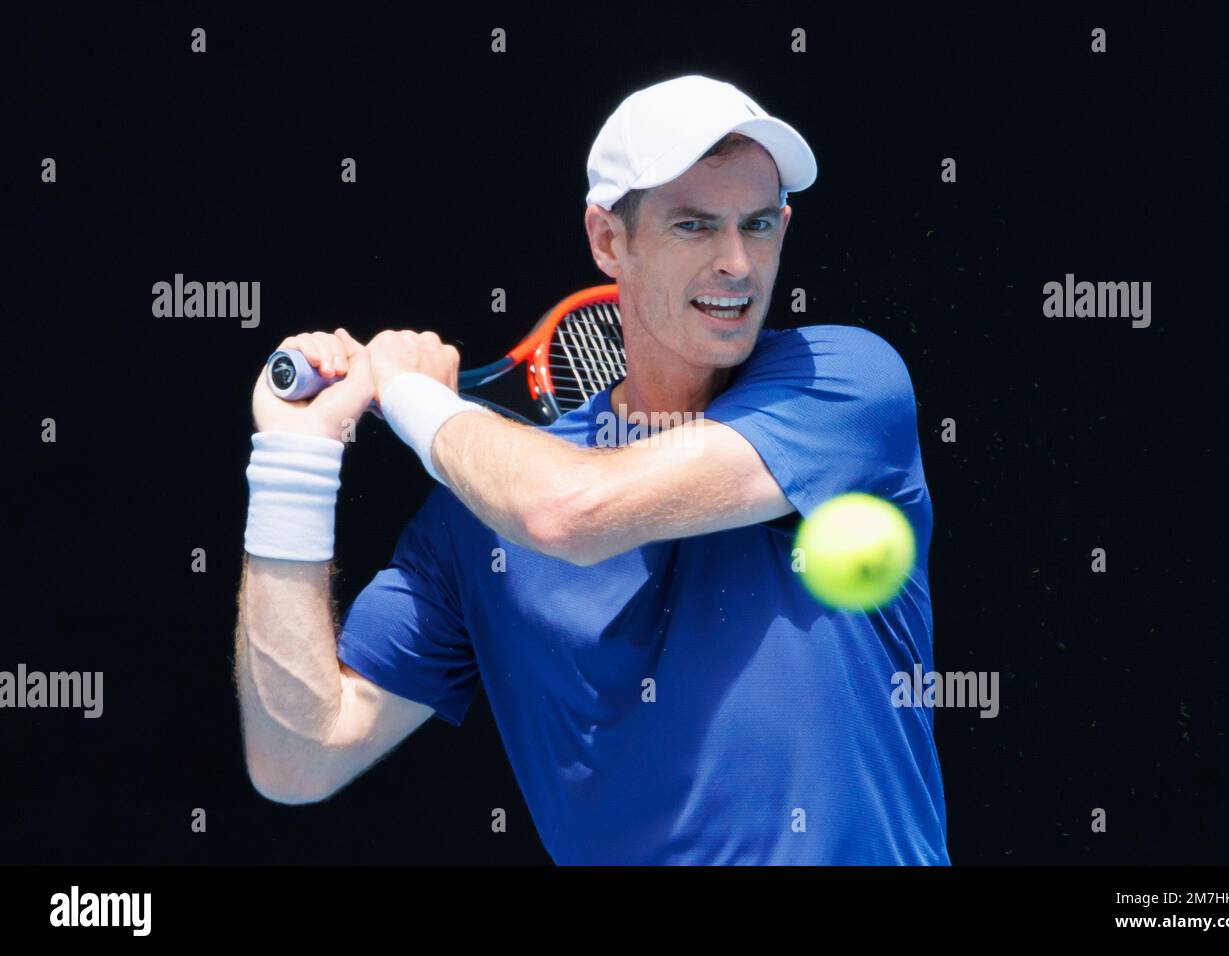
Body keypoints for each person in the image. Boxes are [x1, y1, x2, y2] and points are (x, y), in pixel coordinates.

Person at [235, 74, 949, 865]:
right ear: (609, 240)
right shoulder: (475, 518)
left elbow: (567, 512)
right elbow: (296, 759)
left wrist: (409, 397)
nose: (738, 263)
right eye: (694, 226)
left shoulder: (846, 380)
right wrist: (292, 465)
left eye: (758, 224)